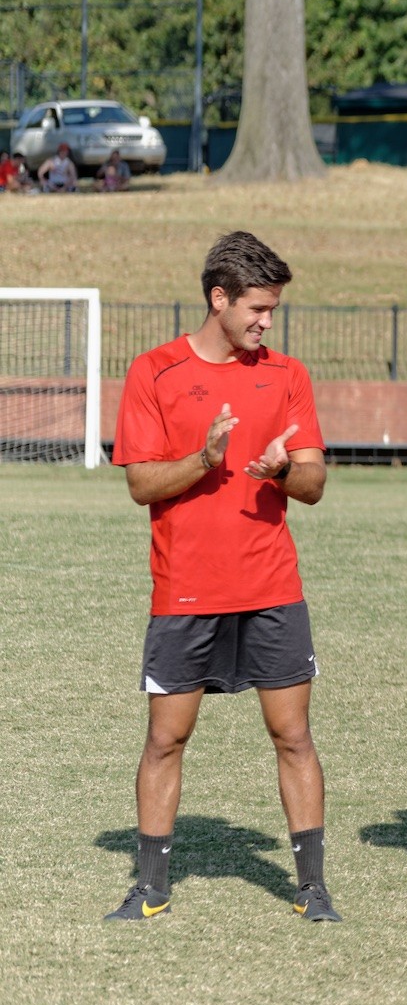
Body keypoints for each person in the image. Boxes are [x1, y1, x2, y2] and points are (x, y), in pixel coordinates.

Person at [106, 232, 336, 922]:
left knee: (293, 735)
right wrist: (204, 458)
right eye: (258, 308)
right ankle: (151, 886)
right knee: (165, 738)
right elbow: (142, 482)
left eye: (272, 309)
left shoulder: (286, 374)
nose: (267, 321)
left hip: (273, 589)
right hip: (185, 591)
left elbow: (317, 479)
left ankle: (312, 887)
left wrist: (283, 470)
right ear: (220, 297)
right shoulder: (155, 372)